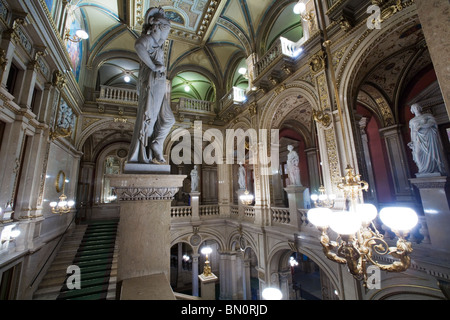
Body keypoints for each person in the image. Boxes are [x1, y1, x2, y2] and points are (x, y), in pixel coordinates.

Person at [128, 7, 175, 164]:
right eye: (165, 31)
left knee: (168, 119)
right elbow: (138, 46)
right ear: (157, 28)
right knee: (150, 118)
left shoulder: (158, 44)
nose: (166, 35)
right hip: (152, 81)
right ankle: (143, 154)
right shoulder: (149, 40)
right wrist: (154, 67)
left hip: (159, 83)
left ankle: (157, 143)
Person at [408, 103, 447, 176]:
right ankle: (422, 170)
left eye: (417, 107)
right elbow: (412, 131)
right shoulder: (412, 121)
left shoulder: (428, 116)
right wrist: (412, 141)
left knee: (431, 153)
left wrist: (421, 126)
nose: (416, 108)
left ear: (420, 108)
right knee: (417, 154)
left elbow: (433, 123)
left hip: (429, 137)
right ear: (412, 110)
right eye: (414, 107)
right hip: (418, 139)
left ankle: (434, 169)